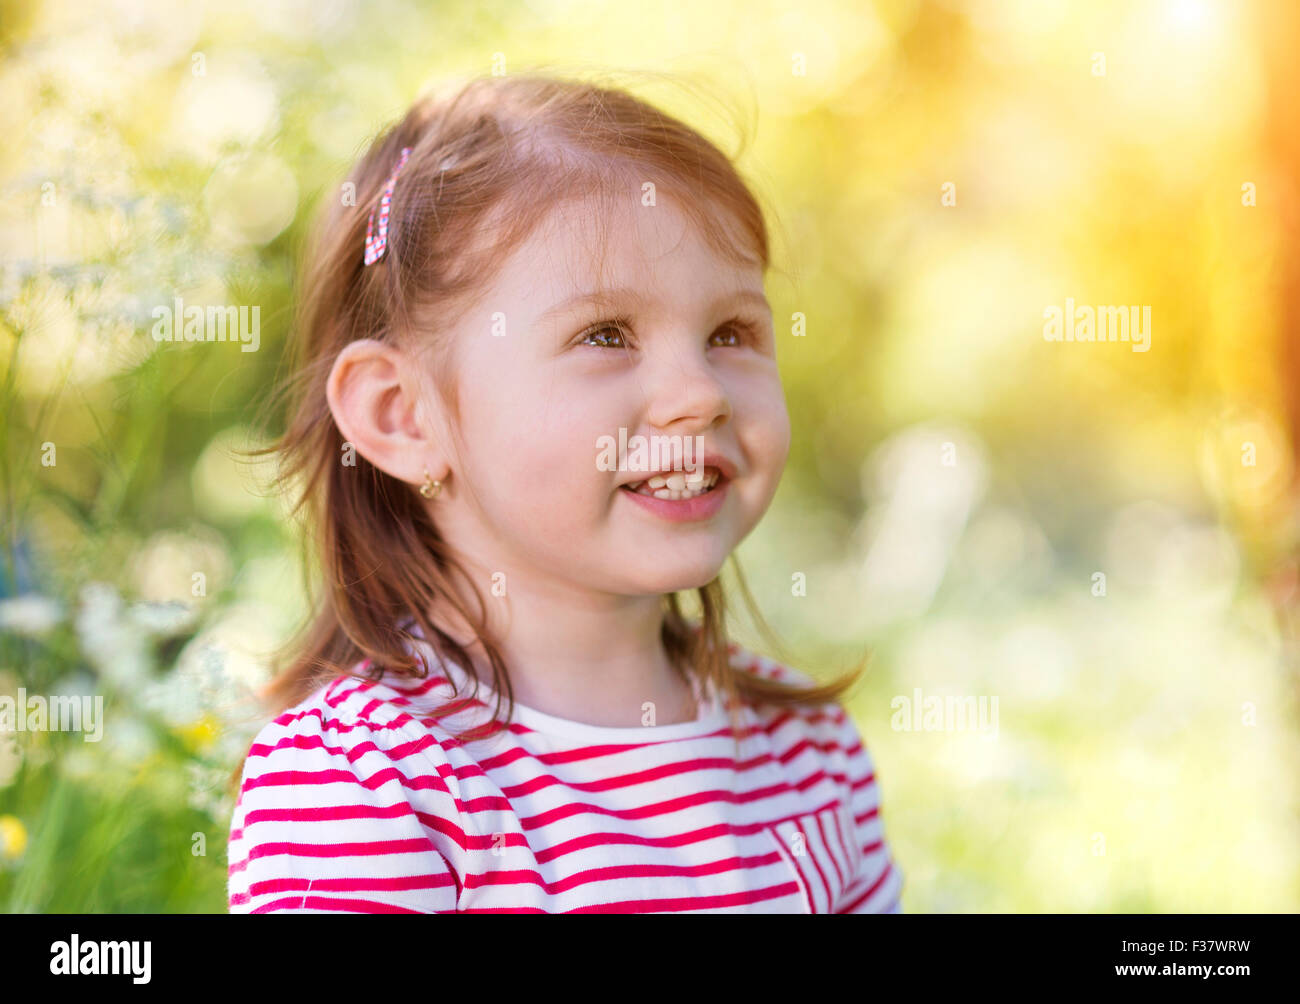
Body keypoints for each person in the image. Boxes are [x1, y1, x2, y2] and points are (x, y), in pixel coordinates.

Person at [226, 70, 903, 913]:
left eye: (730, 333)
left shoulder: (809, 755)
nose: (702, 392)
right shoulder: (365, 783)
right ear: (404, 417)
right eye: (606, 335)